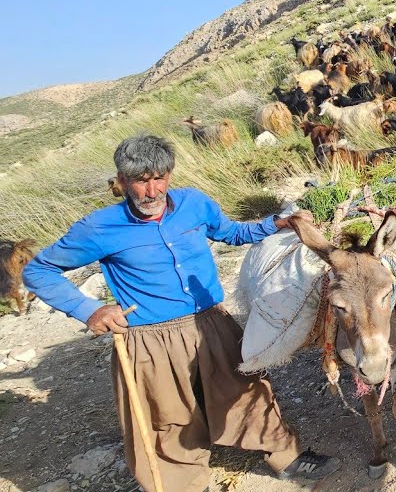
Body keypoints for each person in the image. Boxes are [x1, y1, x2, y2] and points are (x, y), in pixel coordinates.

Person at [23, 134, 340, 492]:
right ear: (123, 180)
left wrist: (275, 224)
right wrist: (89, 309)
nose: (152, 190)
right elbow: (37, 270)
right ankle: (184, 485)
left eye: (160, 178)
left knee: (248, 388)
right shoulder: (98, 228)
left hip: (210, 321)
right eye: (142, 181)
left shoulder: (194, 203)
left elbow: (230, 233)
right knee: (167, 415)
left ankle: (286, 455)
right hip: (149, 337)